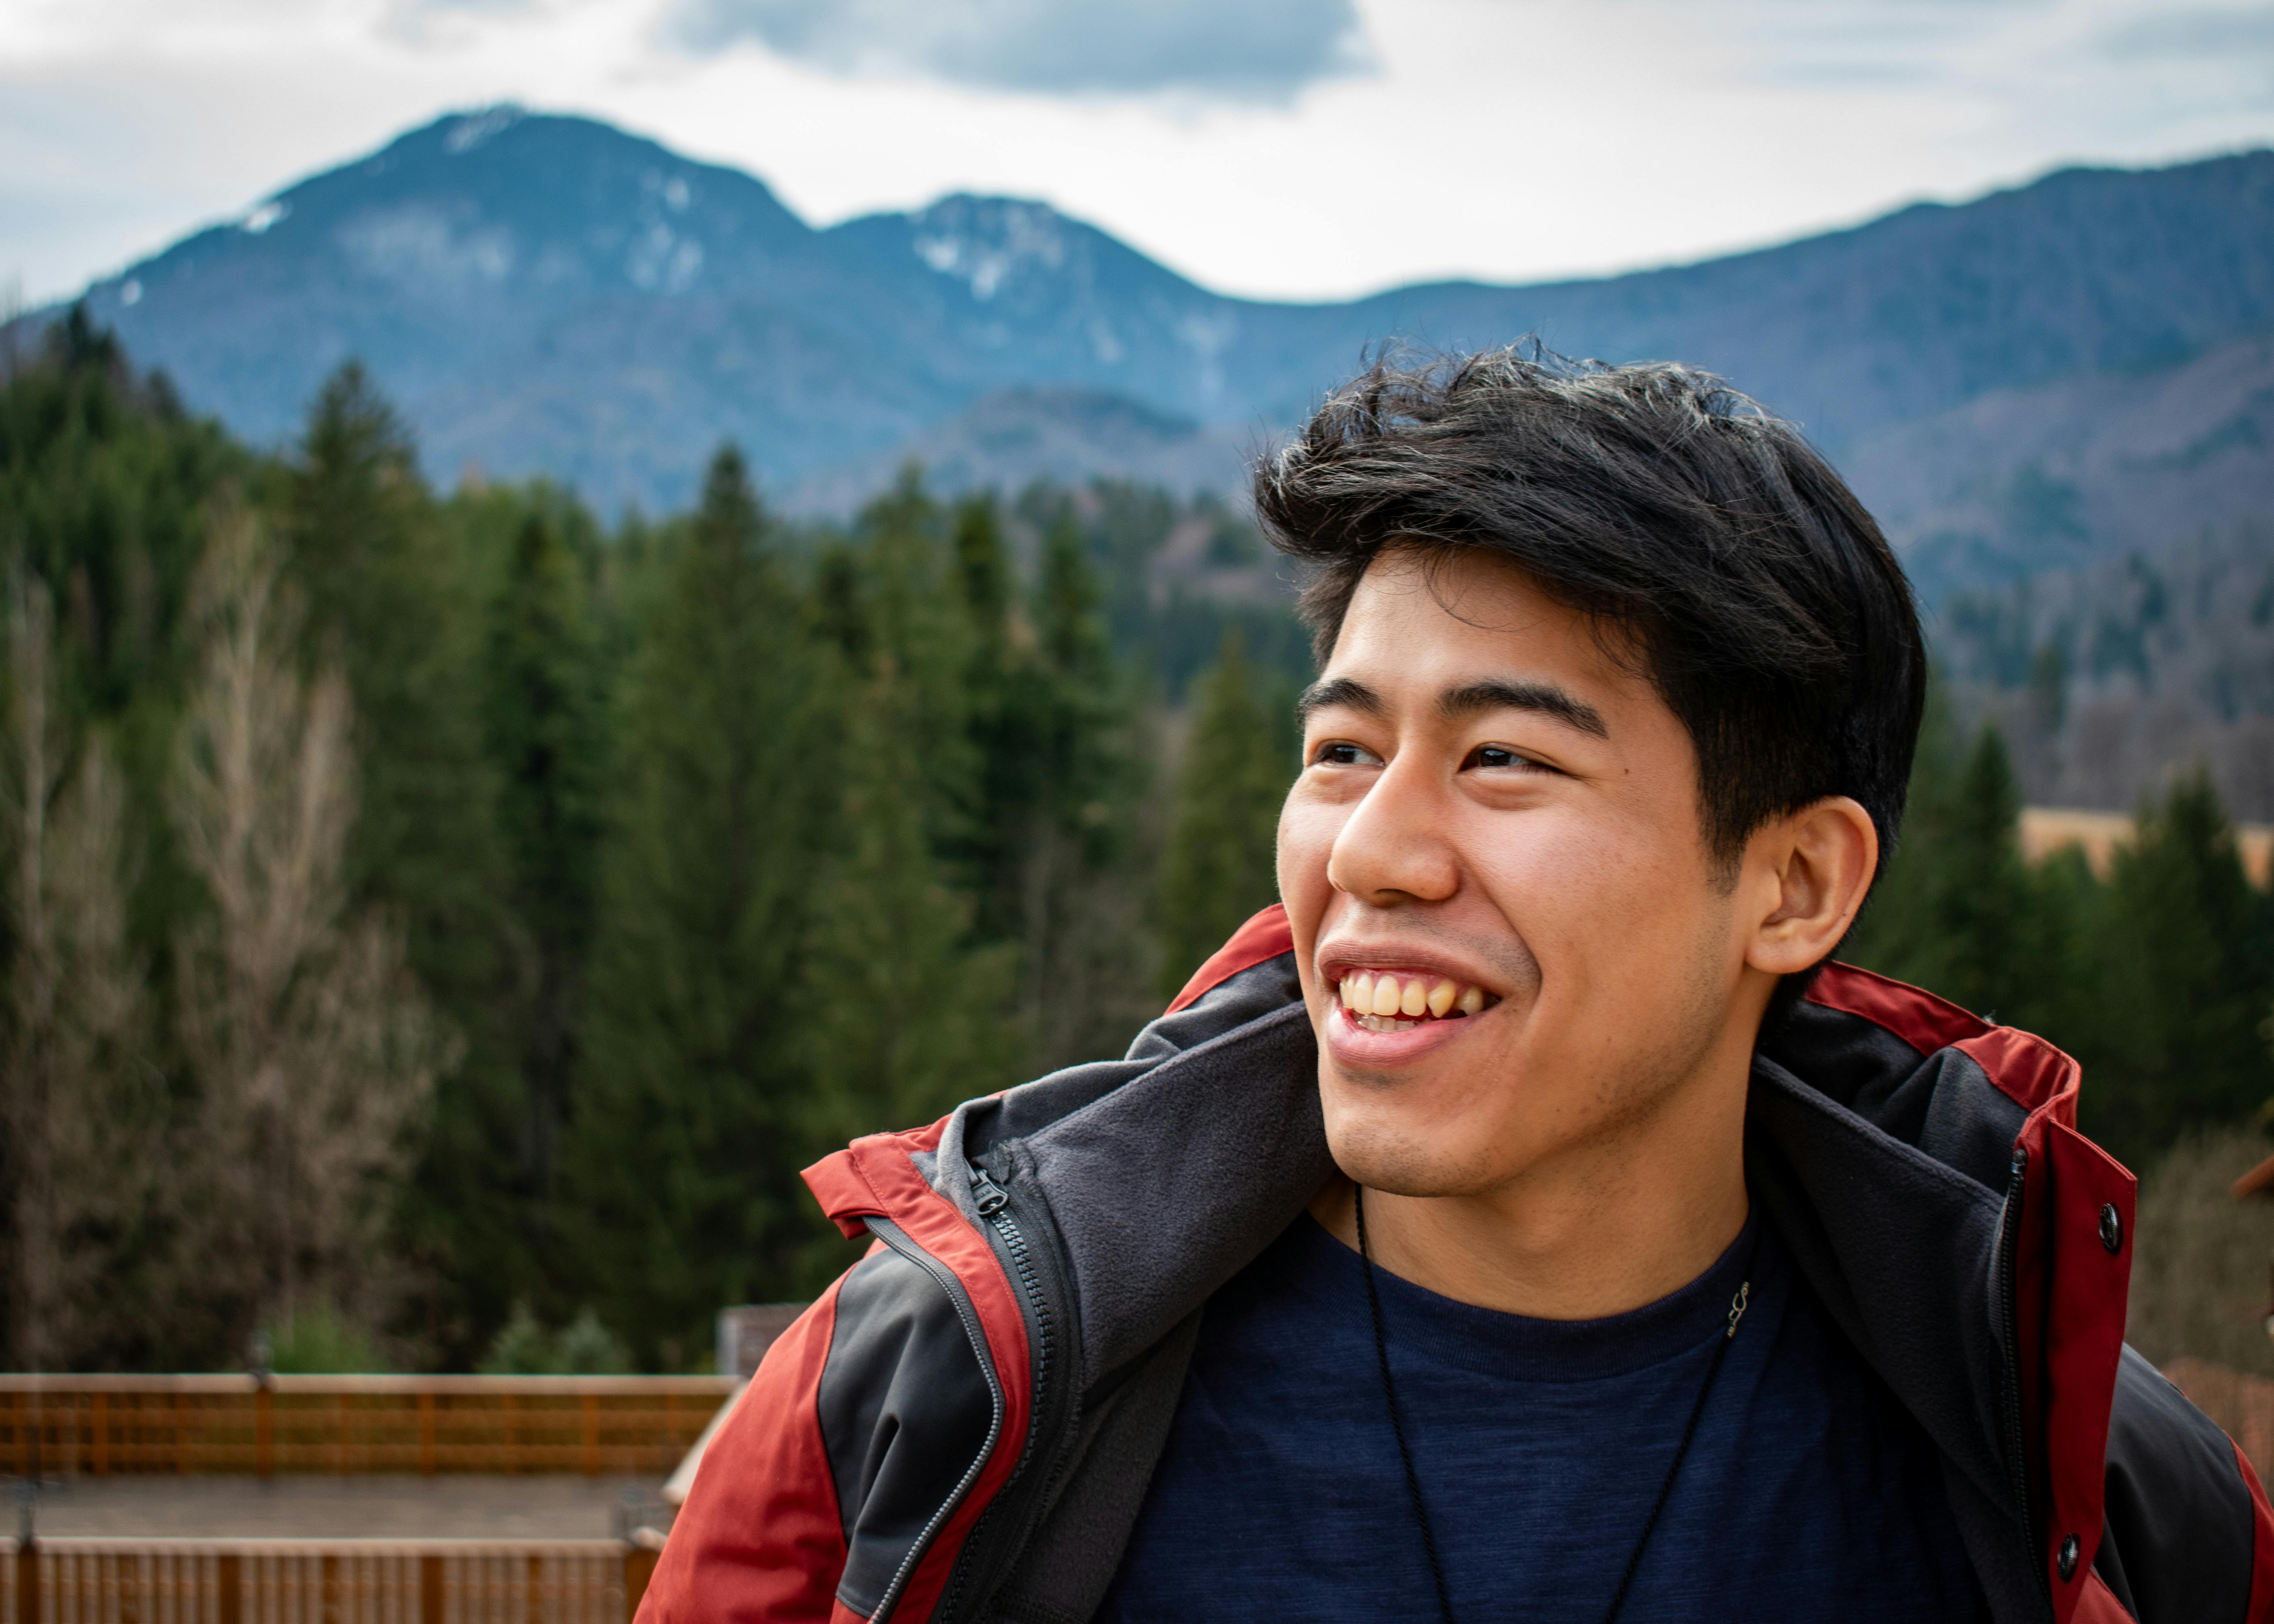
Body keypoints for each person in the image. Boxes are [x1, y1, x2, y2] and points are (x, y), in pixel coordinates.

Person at [638, 351, 2271, 1624]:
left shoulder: (2083, 1489)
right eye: (1342, 749)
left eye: (1503, 759)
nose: (1373, 851)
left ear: (1791, 884)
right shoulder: (937, 1390)